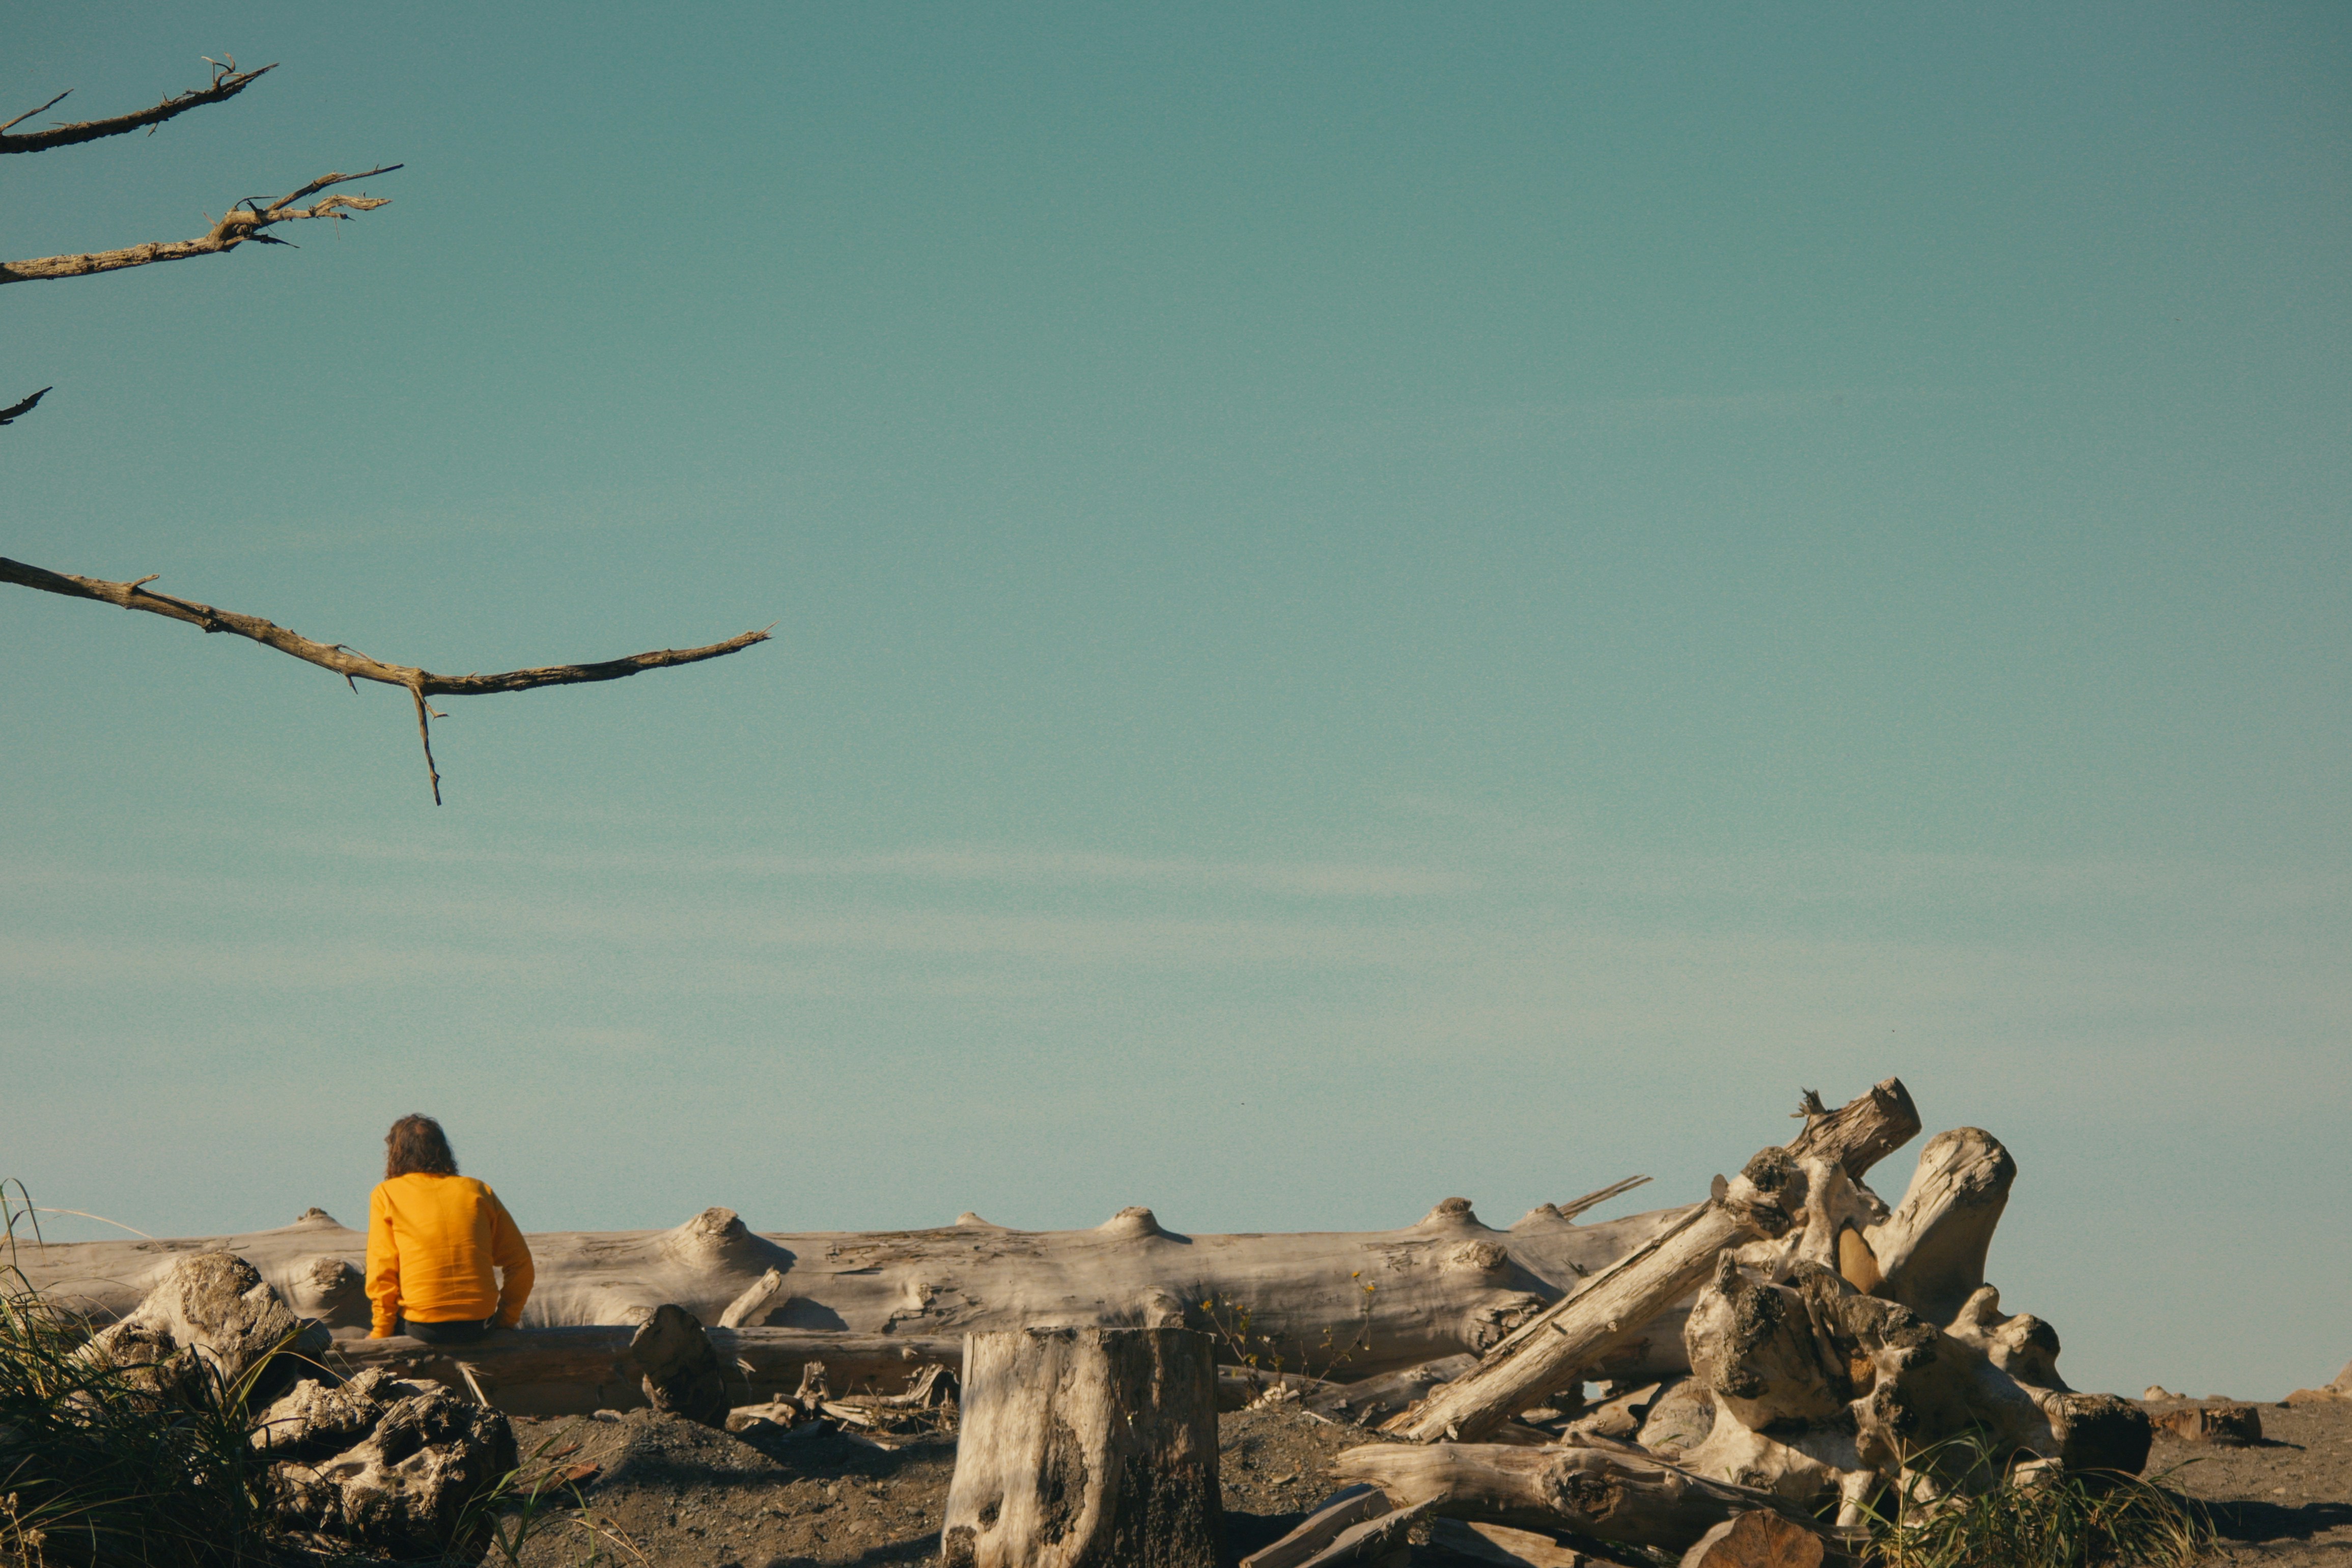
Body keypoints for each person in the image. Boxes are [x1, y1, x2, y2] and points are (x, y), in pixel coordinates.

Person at [365, 1113, 535, 1342]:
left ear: (396, 1154)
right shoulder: (478, 1191)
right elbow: (521, 1263)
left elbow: (382, 1271)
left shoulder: (386, 1194)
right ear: (444, 1150)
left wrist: (381, 1333)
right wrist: (505, 1321)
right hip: (479, 1325)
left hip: (424, 1326)